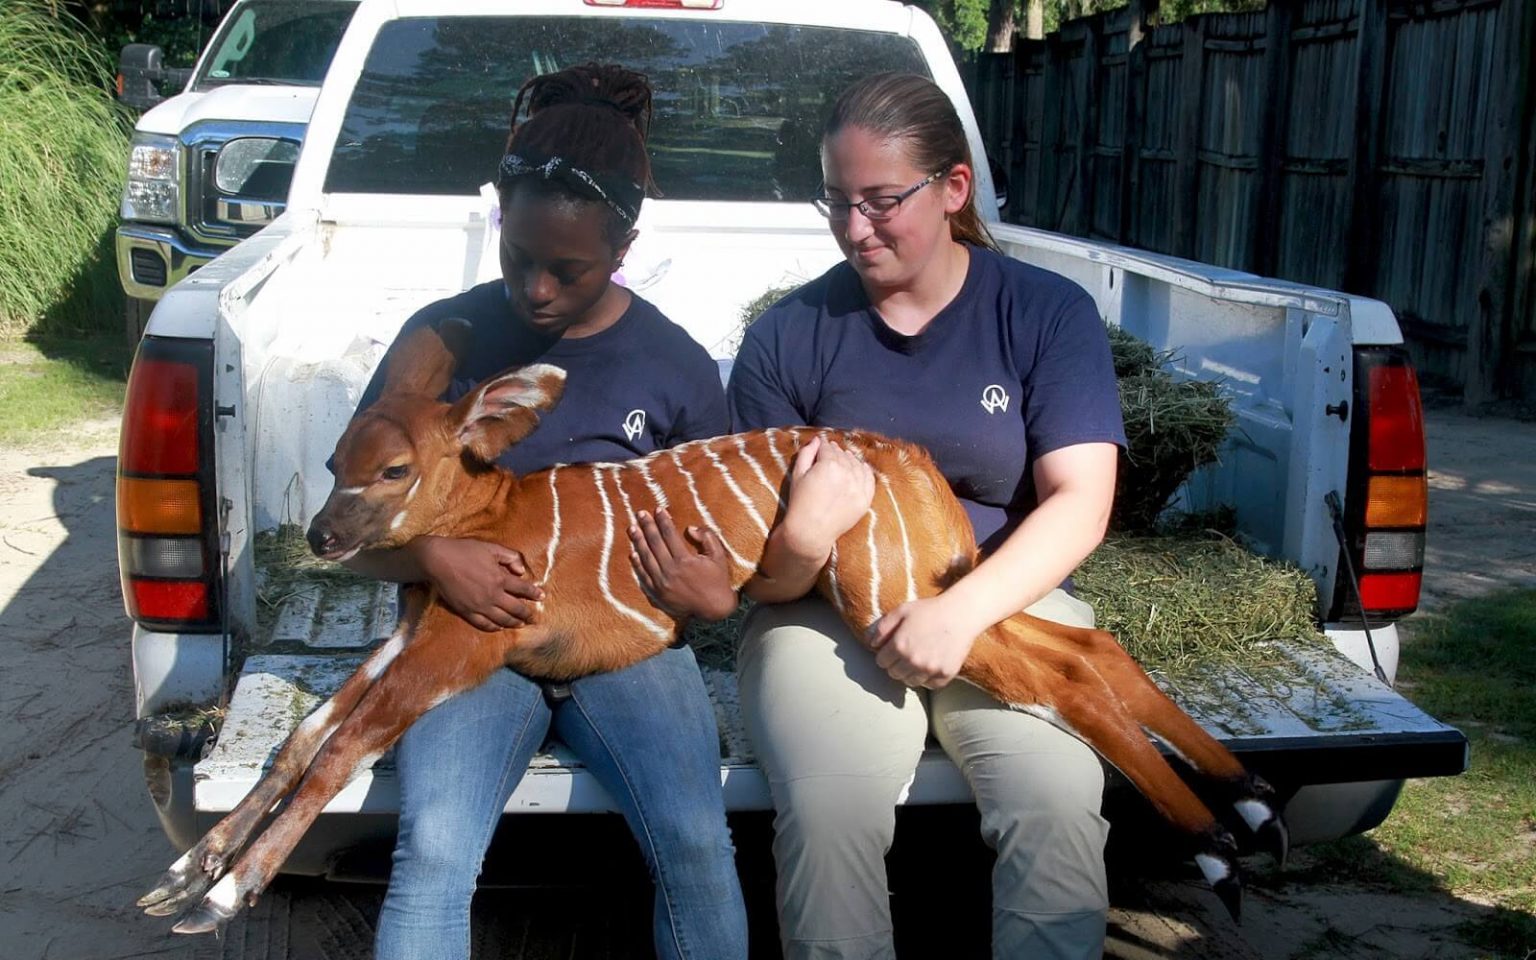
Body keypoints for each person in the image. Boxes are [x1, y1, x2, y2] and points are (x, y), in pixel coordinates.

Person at [631, 71, 1126, 959]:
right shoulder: (791, 335)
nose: (856, 230)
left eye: (882, 201)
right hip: (819, 617)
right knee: (828, 812)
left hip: (1001, 599)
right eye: (836, 203)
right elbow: (761, 583)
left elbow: (1081, 502)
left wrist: (958, 612)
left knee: (1055, 801)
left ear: (954, 189)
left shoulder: (1044, 312)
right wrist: (807, 535)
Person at [339, 63, 748, 960]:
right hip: (468, 640)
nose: (536, 290)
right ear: (497, 219)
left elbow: (720, 550)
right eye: (517, 257)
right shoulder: (439, 343)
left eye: (570, 269)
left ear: (626, 244)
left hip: (627, 649)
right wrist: (431, 558)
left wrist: (714, 592)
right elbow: (345, 528)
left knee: (696, 846)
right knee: (436, 849)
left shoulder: (673, 365)